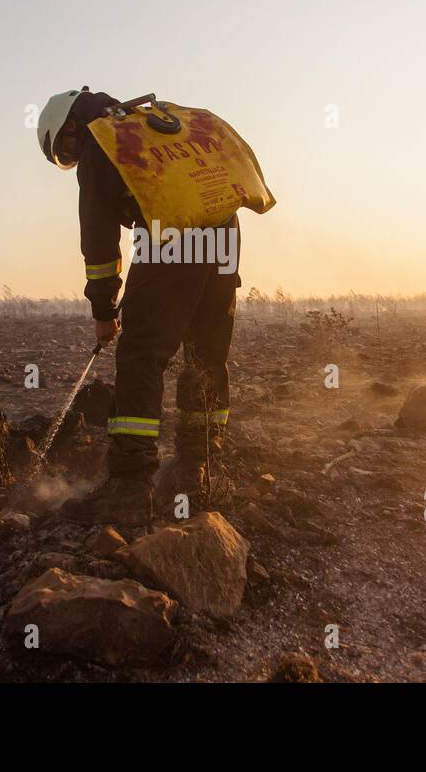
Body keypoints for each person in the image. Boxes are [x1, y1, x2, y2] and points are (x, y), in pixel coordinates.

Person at [34, 87, 274, 525]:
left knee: (142, 355)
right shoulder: (152, 124)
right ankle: (197, 466)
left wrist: (104, 312)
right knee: (206, 355)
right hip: (224, 237)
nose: (71, 160)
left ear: (70, 127)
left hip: (173, 239)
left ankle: (128, 488)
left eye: (65, 151)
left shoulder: (102, 141)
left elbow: (100, 243)